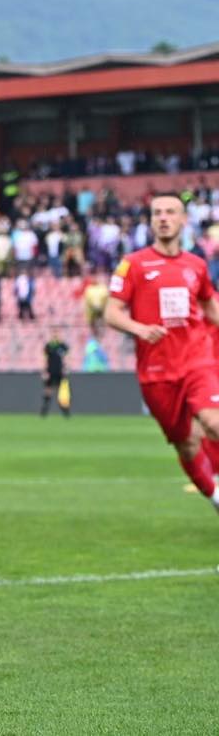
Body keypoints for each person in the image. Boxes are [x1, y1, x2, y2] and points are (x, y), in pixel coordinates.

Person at [104, 193, 219, 513]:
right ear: (151, 221)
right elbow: (111, 313)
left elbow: (210, 305)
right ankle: (215, 497)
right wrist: (139, 329)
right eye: (157, 213)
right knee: (186, 442)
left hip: (197, 361)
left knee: (213, 422)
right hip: (157, 373)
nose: (163, 218)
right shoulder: (133, 264)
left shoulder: (196, 265)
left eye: (170, 212)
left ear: (184, 220)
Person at [40, 331, 71, 418]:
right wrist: (44, 371)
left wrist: (66, 367)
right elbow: (44, 359)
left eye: (57, 333)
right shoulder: (48, 346)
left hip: (60, 372)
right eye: (54, 333)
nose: (55, 335)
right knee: (48, 391)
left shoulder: (62, 346)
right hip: (50, 371)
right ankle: (44, 410)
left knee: (61, 392)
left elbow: (67, 357)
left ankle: (65, 411)